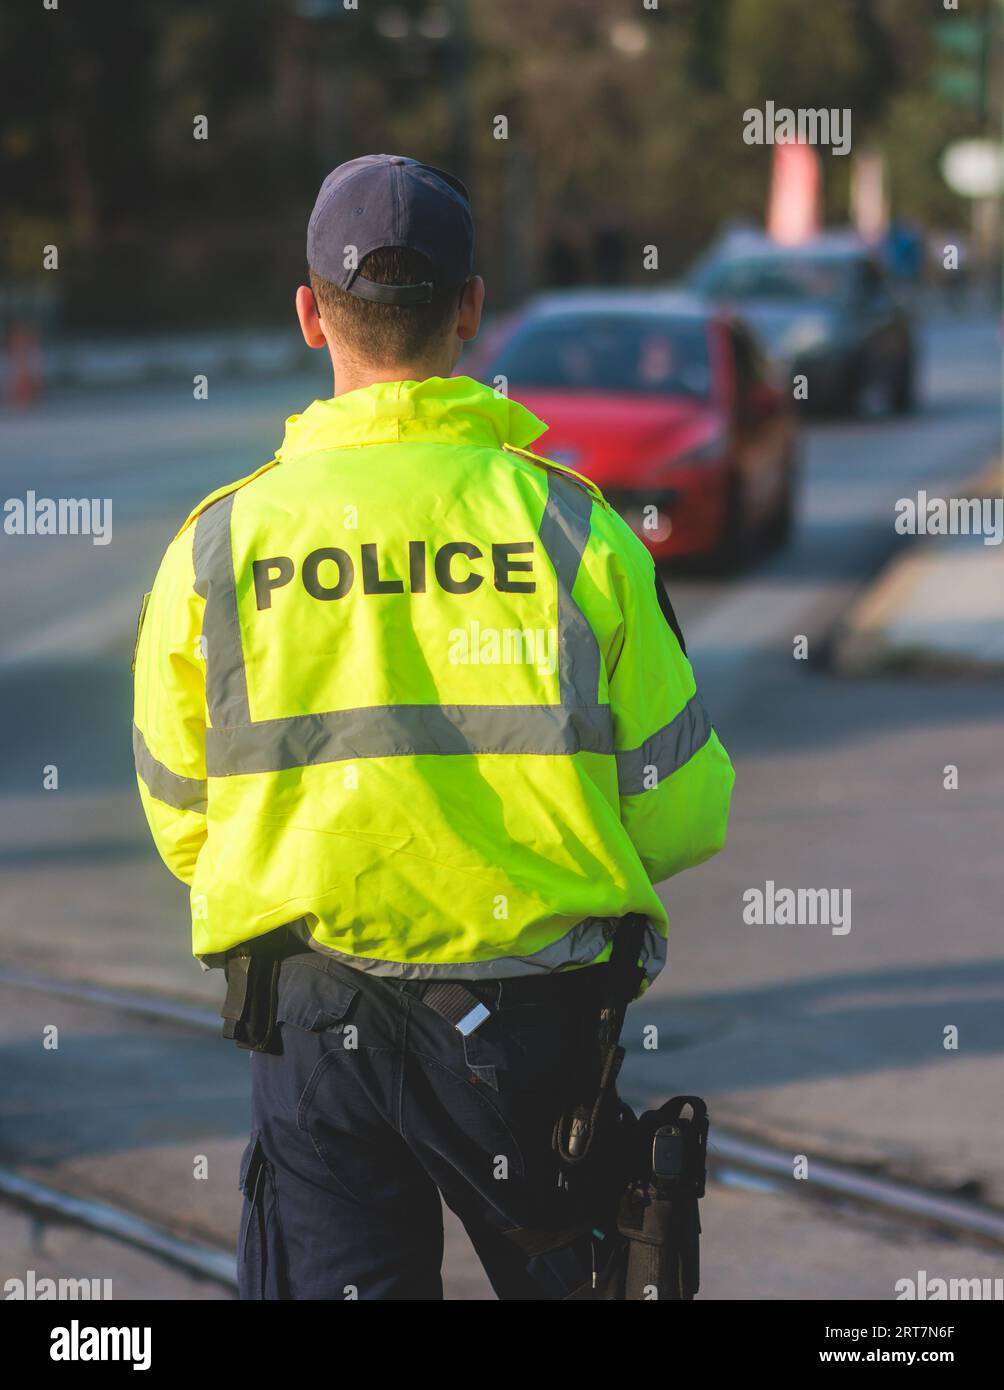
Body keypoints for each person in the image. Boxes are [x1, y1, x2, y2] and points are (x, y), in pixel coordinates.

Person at [132, 153, 735, 1300]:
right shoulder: (572, 529)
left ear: (311, 315)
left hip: (316, 1019)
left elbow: (183, 818)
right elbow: (682, 806)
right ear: (471, 309)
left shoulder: (219, 546)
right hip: (533, 1028)